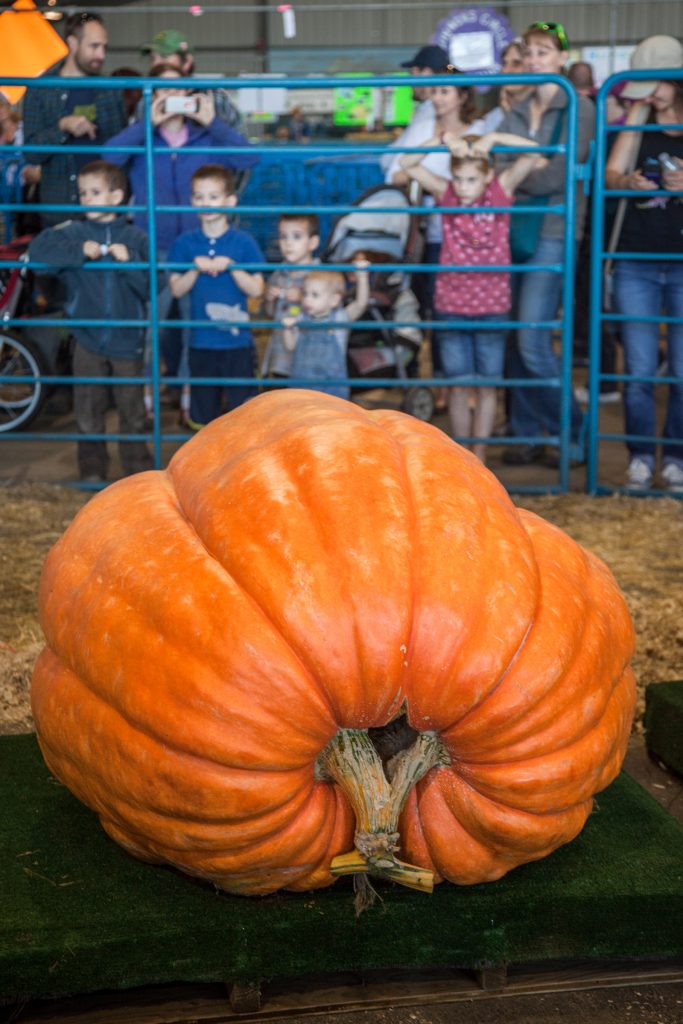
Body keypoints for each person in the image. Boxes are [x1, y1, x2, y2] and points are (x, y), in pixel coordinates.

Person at [102, 64, 259, 383]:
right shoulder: (143, 137)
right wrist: (147, 125)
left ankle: (191, 395)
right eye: (163, 89)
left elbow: (249, 159)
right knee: (151, 328)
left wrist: (213, 123)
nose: (171, 94)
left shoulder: (208, 138)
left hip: (196, 247)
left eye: (178, 88)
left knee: (194, 329)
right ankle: (147, 397)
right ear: (153, 95)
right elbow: (107, 159)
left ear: (189, 92)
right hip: (153, 247)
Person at [399, 131, 541, 463]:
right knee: (459, 385)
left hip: (492, 307)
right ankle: (462, 454)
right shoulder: (446, 193)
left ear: (487, 176)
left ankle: (479, 453)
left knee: (487, 386)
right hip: (451, 305)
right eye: (459, 178)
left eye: (471, 179)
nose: (463, 187)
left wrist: (492, 138)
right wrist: (443, 140)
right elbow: (406, 163)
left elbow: (532, 153)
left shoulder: (500, 191)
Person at [496, 21, 595, 467]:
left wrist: (518, 174)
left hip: (554, 231)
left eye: (544, 52)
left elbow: (559, 172)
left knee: (532, 336)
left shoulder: (580, 107)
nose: (536, 60)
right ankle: (526, 435)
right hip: (512, 231)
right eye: (530, 53)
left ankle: (574, 433)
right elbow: (496, 163)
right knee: (516, 340)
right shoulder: (515, 109)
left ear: (561, 58)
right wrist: (521, 170)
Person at [28, 161, 152, 482]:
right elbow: (38, 252)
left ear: (116, 196)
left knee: (132, 411)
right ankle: (92, 474)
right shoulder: (74, 232)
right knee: (88, 409)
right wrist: (78, 251)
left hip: (128, 339)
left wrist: (130, 263)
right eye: (82, 192)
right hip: (86, 339)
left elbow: (151, 287)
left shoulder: (136, 238)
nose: (86, 199)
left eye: (94, 192)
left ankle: (137, 476)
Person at [604, 35, 683, 493]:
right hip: (636, 256)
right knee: (637, 369)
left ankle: (673, 456)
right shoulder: (636, 116)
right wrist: (628, 181)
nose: (650, 96)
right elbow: (610, 175)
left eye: (657, 86)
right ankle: (638, 456)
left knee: (680, 369)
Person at [168, 164, 264, 428]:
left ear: (230, 201)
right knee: (204, 416)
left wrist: (232, 266)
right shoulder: (184, 243)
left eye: (213, 196)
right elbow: (176, 289)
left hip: (238, 345)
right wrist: (194, 268)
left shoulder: (243, 242)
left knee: (244, 415)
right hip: (201, 344)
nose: (206, 203)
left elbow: (257, 289)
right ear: (191, 201)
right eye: (199, 197)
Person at [22, 12, 126, 227]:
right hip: (58, 209)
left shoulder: (110, 90)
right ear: (72, 43)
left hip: (105, 212)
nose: (101, 54)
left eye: (104, 47)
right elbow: (31, 153)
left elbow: (122, 150)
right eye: (94, 46)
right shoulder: (40, 89)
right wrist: (62, 127)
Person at [282, 264, 370, 399]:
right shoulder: (301, 318)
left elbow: (360, 304)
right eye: (305, 294)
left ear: (334, 300)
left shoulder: (340, 319)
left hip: (331, 388)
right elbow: (290, 346)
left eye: (315, 295)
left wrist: (362, 277)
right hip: (301, 385)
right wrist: (287, 329)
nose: (307, 299)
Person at [140, 28, 242, 130]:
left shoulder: (213, 97)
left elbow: (238, 141)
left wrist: (213, 124)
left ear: (187, 61)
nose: (155, 64)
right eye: (152, 58)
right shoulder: (147, 99)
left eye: (164, 57)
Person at [262, 213, 320, 379]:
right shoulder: (278, 274)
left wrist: (303, 298)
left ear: (313, 242)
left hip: (309, 361)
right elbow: (270, 314)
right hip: (279, 358)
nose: (288, 243)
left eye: (296, 236)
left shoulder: (320, 276)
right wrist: (269, 300)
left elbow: (329, 313)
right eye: (283, 236)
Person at [379, 43, 450, 177]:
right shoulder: (425, 110)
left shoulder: (433, 114)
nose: (410, 79)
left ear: (427, 73)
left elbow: (396, 167)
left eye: (413, 72)